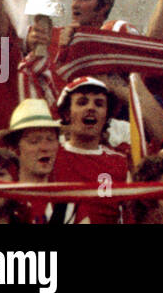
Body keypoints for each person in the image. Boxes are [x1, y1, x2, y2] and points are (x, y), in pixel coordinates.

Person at [51, 76, 130, 224]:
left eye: (99, 104)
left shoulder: (121, 163)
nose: (91, 108)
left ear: (106, 115)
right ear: (67, 114)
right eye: (82, 102)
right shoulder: (51, 157)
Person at [0, 98, 78, 224]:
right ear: (14, 149)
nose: (44, 147)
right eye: (34, 141)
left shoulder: (69, 203)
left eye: (50, 139)